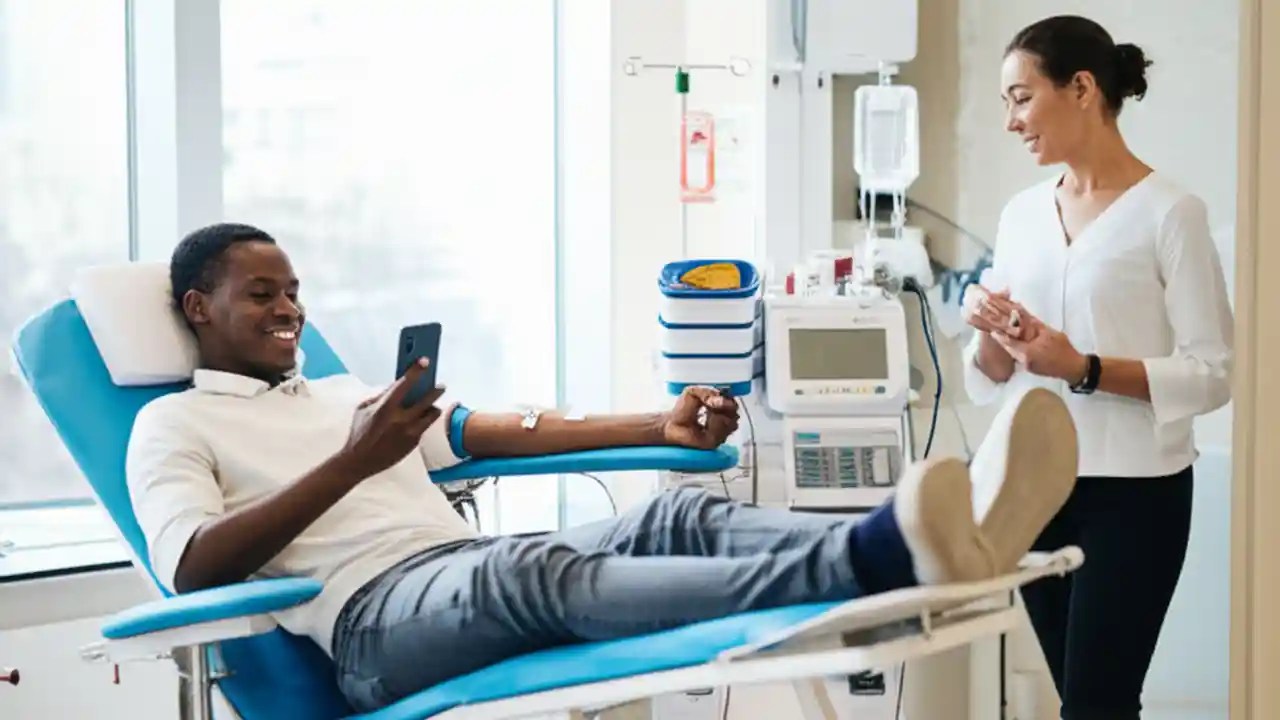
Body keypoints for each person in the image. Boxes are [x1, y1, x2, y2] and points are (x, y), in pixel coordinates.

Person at [128, 222, 1080, 712]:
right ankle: (883, 558)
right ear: (199, 308)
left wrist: (663, 427)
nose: (290, 309)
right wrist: (352, 464)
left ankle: (955, 538)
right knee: (532, 570)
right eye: (262, 294)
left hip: (458, 577)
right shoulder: (170, 425)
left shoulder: (343, 393)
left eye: (294, 292)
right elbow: (191, 567)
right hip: (374, 630)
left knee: (676, 517)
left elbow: (497, 430)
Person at [961, 15, 1234, 720]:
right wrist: (989, 332)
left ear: (1081, 88)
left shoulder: (1172, 214)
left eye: (1021, 98)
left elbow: (1212, 372)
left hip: (1135, 496)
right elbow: (995, 371)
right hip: (1030, 491)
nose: (1011, 122)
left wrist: (1081, 367)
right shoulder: (1021, 215)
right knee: (1082, 702)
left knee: (1097, 704)